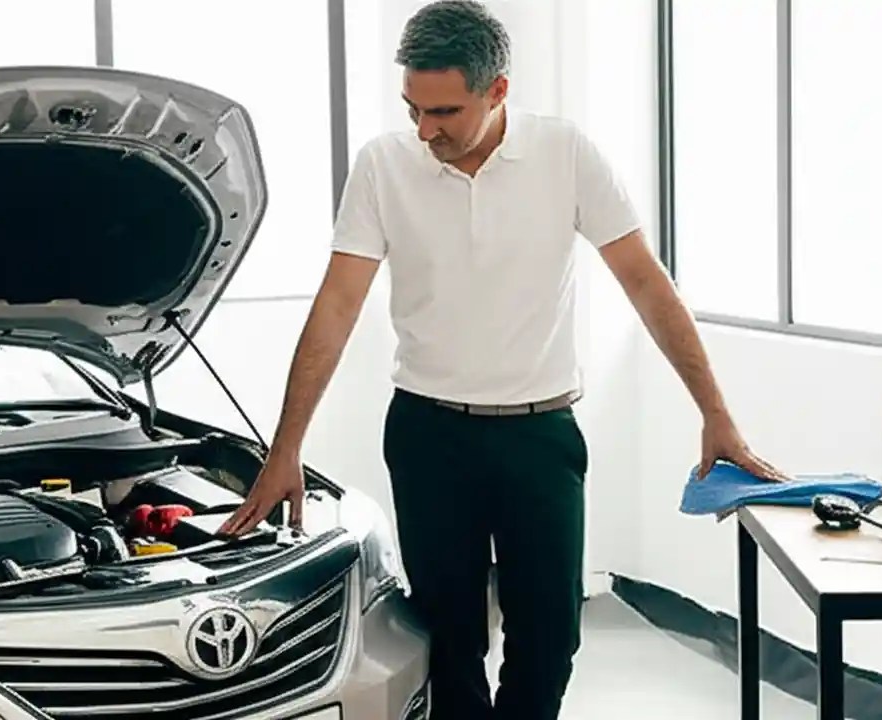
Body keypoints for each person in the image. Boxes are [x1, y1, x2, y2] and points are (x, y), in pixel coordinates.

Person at [218, 1, 786, 717]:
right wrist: (286, 447)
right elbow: (336, 306)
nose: (425, 130)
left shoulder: (566, 153)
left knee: (550, 638)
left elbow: (646, 282)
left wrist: (717, 416)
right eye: (413, 110)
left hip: (539, 437)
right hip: (428, 436)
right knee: (450, 641)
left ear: (498, 91)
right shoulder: (382, 165)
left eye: (445, 111)